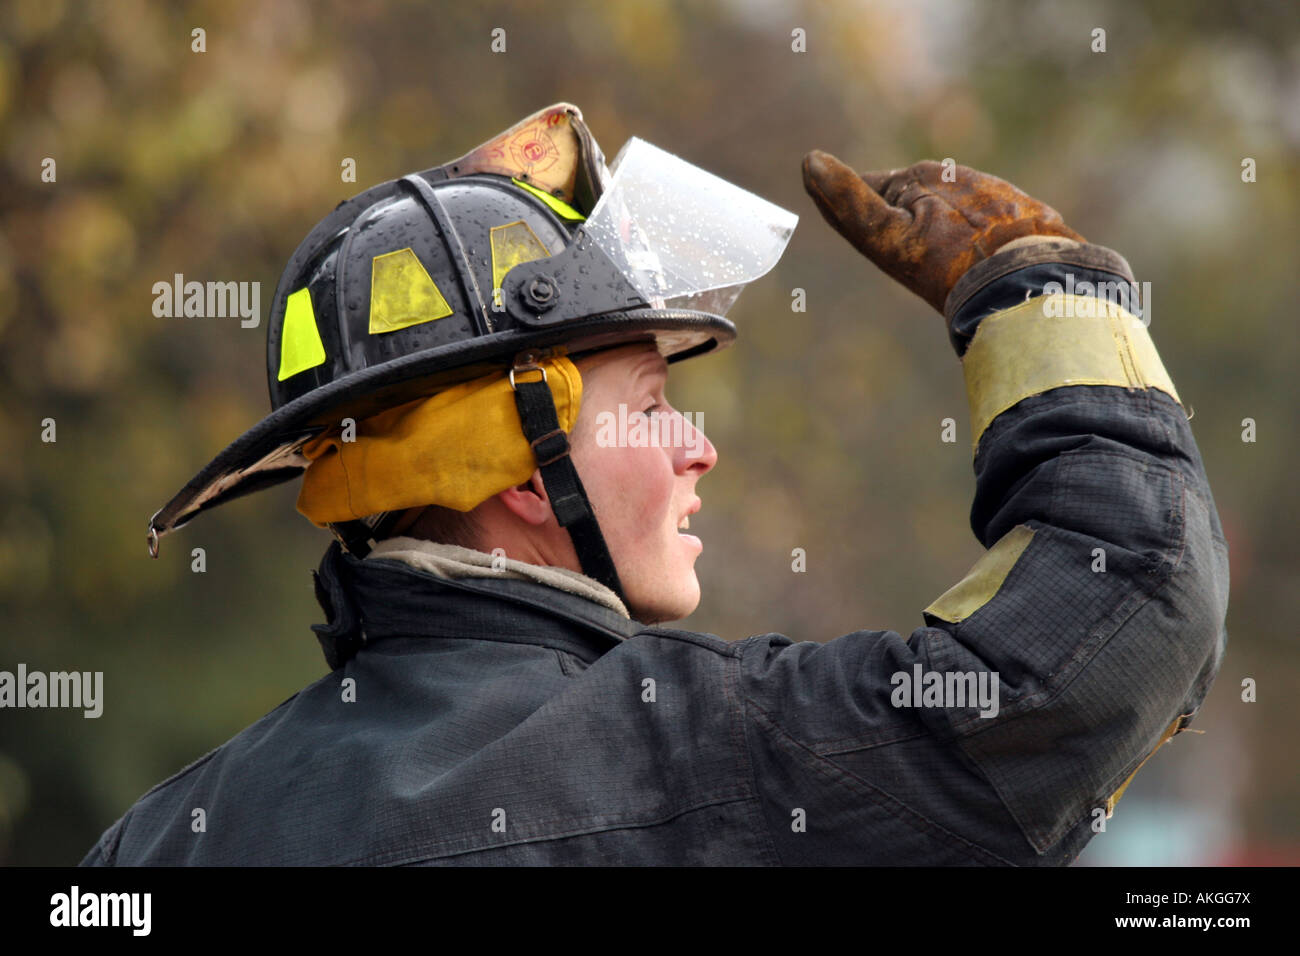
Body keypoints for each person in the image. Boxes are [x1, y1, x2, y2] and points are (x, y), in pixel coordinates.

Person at [82, 103, 1227, 866]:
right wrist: (1047, 301)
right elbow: (1107, 630)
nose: (699, 449)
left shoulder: (153, 843)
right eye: (647, 403)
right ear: (523, 468)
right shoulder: (693, 764)